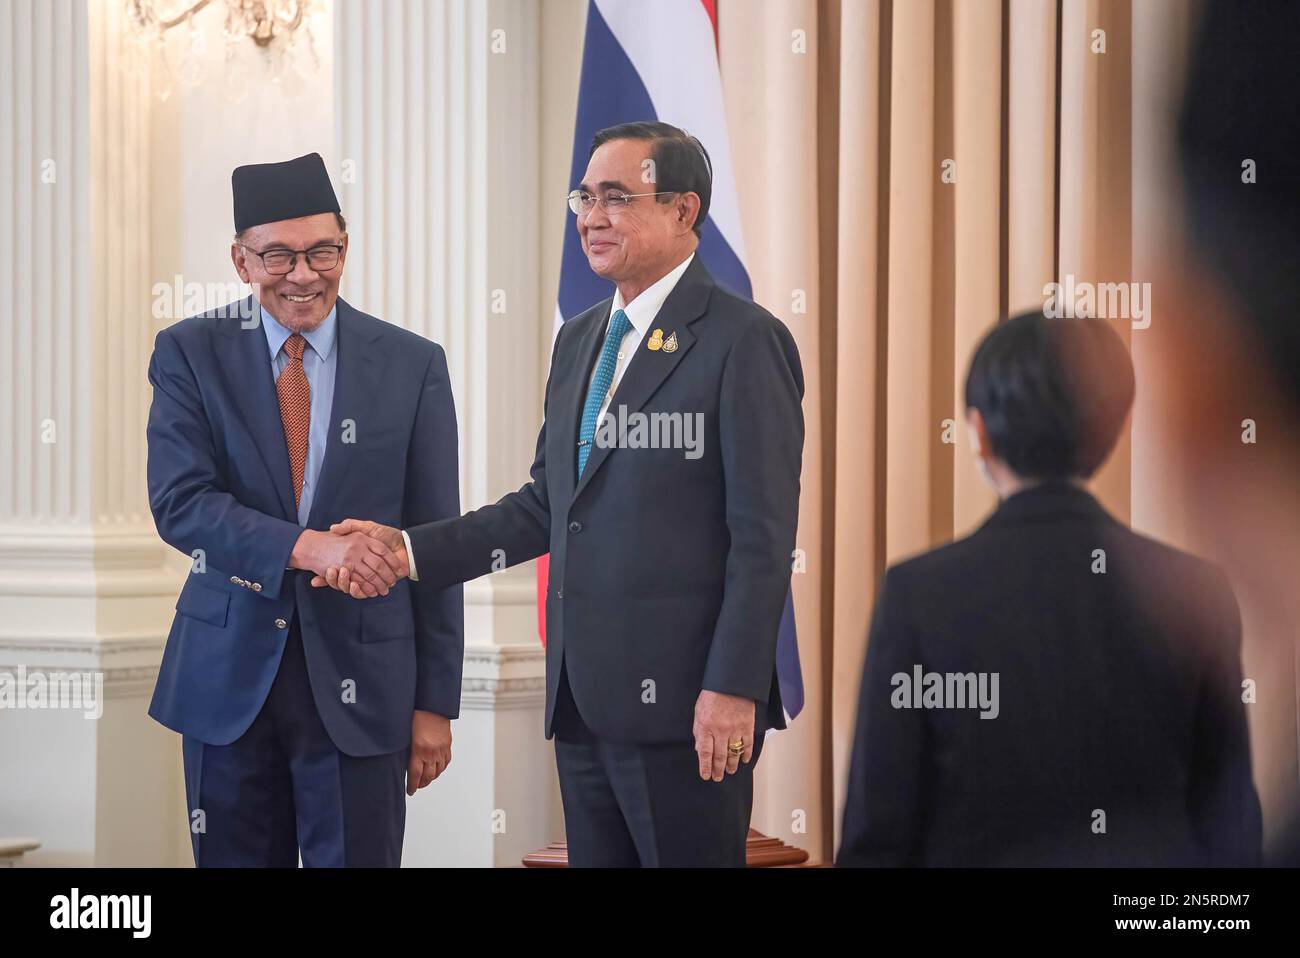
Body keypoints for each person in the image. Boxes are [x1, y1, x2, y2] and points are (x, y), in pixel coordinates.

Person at [317, 123, 805, 866]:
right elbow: (546, 507)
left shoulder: (743, 340)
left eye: (616, 198)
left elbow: (763, 538)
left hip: (687, 710)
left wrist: (732, 688)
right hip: (581, 701)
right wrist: (408, 548)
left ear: (683, 211)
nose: (591, 217)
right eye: (584, 197)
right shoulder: (581, 339)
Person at [837, 311, 1261, 866]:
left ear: (978, 432)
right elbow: (1231, 828)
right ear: (1117, 424)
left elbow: (878, 834)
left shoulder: (918, 595)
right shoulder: (1196, 591)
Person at [146, 153, 463, 866]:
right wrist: (312, 548)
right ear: (240, 258)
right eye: (278, 255)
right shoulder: (189, 353)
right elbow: (181, 504)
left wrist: (435, 702)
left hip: (366, 691)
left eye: (322, 250)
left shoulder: (413, 364)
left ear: (344, 246)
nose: (303, 273)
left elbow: (435, 543)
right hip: (227, 686)